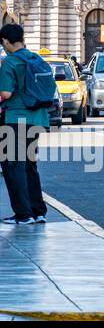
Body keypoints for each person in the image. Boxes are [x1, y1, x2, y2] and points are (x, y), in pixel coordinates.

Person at [0, 23, 50, 225]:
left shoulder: (10, 62)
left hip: (16, 119)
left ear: (5, 41)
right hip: (37, 118)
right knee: (30, 165)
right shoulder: (35, 58)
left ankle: (23, 214)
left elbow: (6, 94)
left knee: (13, 165)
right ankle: (38, 211)